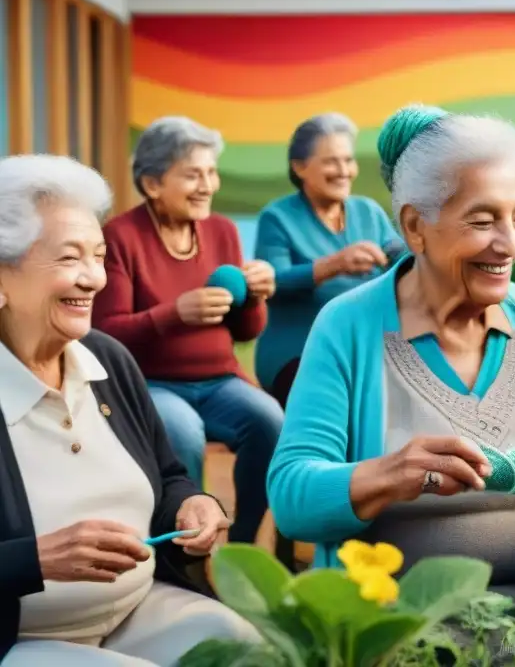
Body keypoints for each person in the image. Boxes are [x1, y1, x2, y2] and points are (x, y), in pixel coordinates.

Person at [268, 105, 515, 662]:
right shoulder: (348, 327)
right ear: (414, 227)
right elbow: (292, 498)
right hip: (422, 617)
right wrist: (389, 475)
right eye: (482, 220)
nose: (510, 244)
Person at [0, 155, 259, 666]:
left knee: (253, 651)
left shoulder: (108, 360)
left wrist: (191, 504)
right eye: (69, 259)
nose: (94, 279)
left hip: (140, 608)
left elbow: (168, 476)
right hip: (22, 638)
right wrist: (34, 560)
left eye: (98, 256)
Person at [92, 117, 284, 547]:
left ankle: (243, 543)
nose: (208, 185)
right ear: (153, 183)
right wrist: (175, 313)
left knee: (271, 421)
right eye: (193, 174)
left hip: (221, 382)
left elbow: (246, 332)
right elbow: (105, 333)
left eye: (211, 172)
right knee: (181, 433)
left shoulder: (222, 231)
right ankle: (184, 554)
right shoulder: (120, 237)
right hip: (151, 384)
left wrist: (254, 298)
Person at [254, 113, 402, 407]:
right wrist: (334, 265)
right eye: (331, 162)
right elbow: (272, 283)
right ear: (299, 167)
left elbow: (399, 254)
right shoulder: (277, 217)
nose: (344, 171)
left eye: (348, 160)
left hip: (365, 347)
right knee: (344, 402)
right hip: (298, 350)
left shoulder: (368, 211)